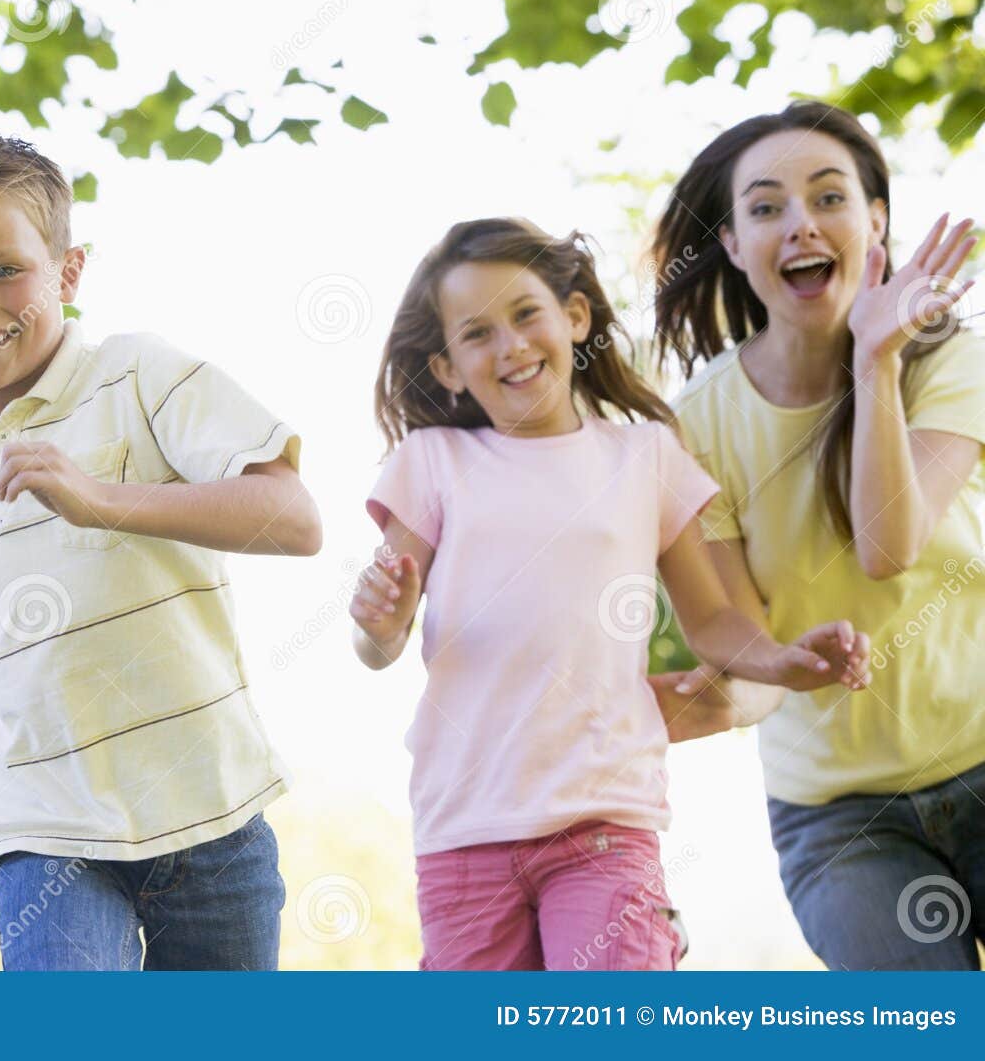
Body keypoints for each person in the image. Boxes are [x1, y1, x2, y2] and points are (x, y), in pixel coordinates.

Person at [0, 130, 322, 970]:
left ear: (67, 273)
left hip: (210, 804)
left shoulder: (141, 376)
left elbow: (293, 518)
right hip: (42, 820)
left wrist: (101, 498)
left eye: (5, 269)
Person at [349, 217, 870, 970]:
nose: (512, 346)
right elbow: (379, 642)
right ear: (450, 367)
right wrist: (380, 622)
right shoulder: (432, 461)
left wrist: (784, 661)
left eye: (527, 314)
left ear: (575, 317)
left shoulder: (643, 456)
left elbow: (715, 620)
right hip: (463, 826)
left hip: (603, 815)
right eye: (478, 334)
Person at [655, 100, 985, 969]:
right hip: (840, 815)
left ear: (875, 221)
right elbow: (748, 646)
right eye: (765, 207)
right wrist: (735, 687)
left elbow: (889, 545)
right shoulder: (697, 426)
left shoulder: (948, 358)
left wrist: (876, 358)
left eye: (828, 197)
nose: (800, 223)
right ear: (732, 244)